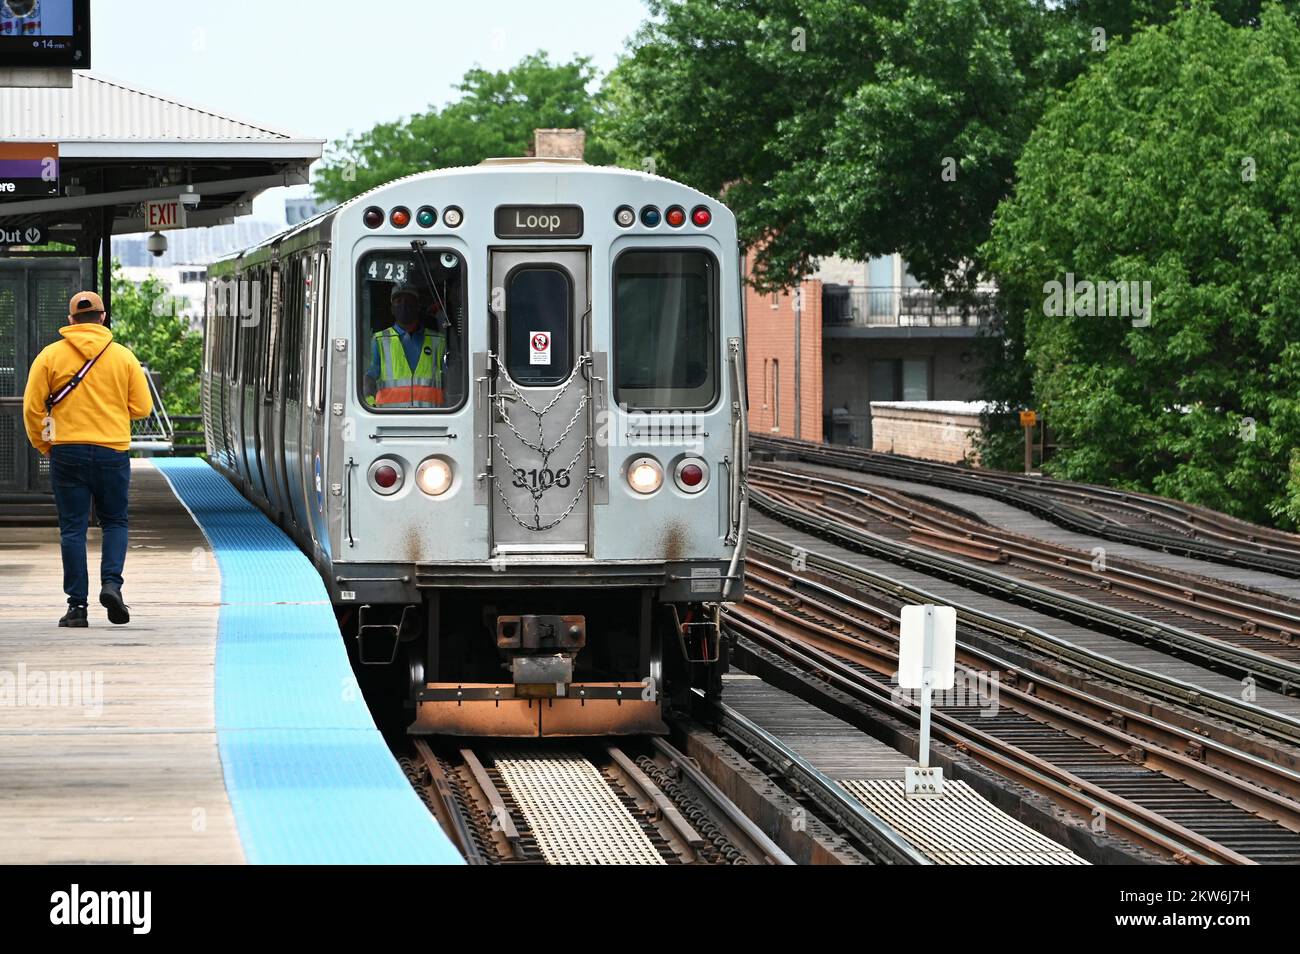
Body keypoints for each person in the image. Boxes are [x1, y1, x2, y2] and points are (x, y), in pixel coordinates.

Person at [22, 291, 153, 627]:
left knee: (73, 529)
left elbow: (32, 407)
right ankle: (112, 584)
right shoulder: (123, 358)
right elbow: (142, 408)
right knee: (114, 522)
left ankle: (77, 608)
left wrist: (45, 444)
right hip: (112, 451)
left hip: (67, 451)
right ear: (103, 317)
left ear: (70, 321)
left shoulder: (50, 356)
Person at [364, 282, 447, 408]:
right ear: (392, 308)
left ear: (418, 306)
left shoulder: (438, 341)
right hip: (389, 422)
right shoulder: (378, 340)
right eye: (398, 301)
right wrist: (371, 407)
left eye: (409, 300)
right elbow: (368, 379)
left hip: (432, 420)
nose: (404, 305)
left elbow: (451, 381)